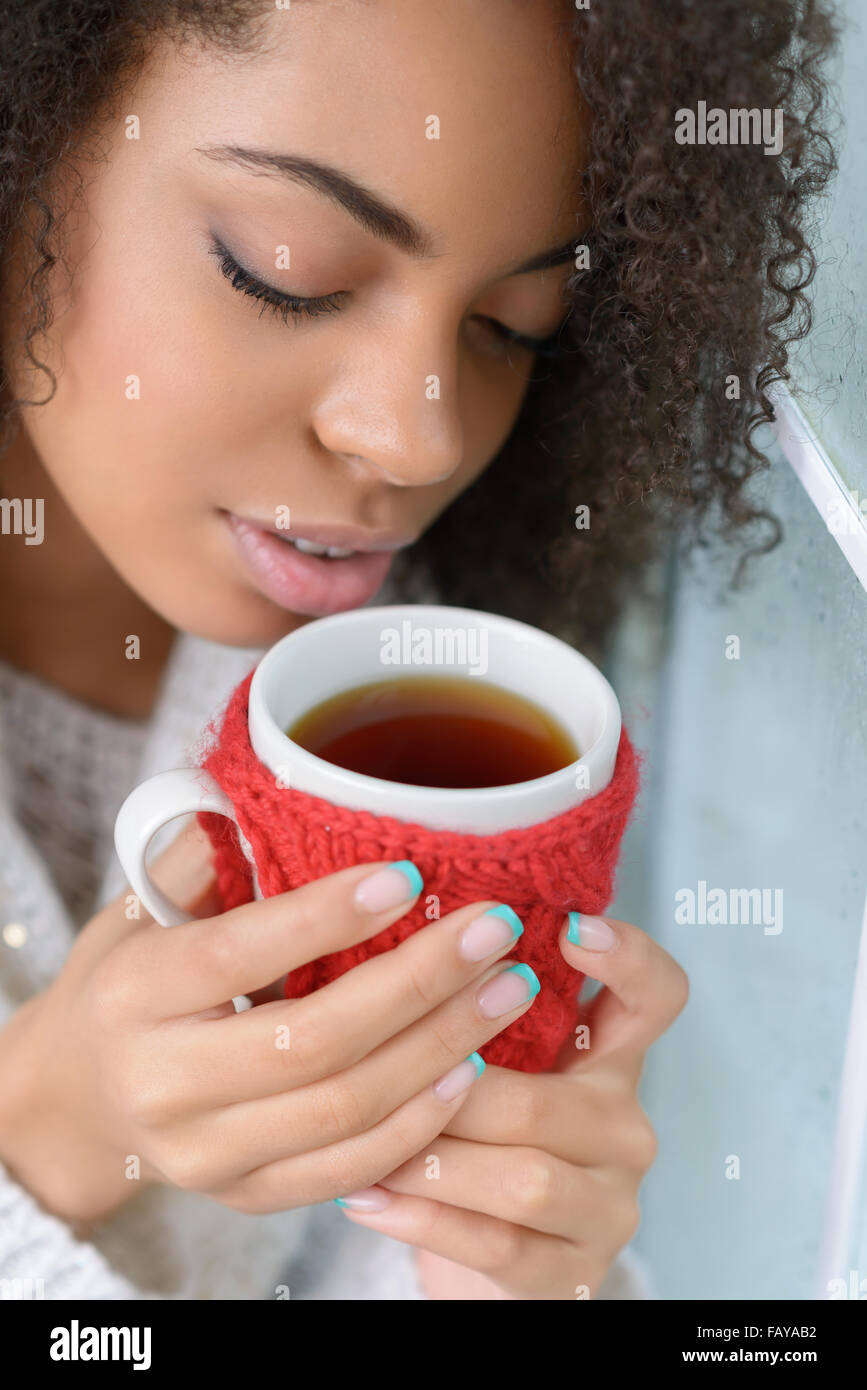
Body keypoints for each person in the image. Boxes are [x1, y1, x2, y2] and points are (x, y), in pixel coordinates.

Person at [0, 0, 837, 1299]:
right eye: (285, 271)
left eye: (514, 325)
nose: (418, 437)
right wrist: (47, 1128)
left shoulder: (431, 703)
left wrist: (512, 1267)